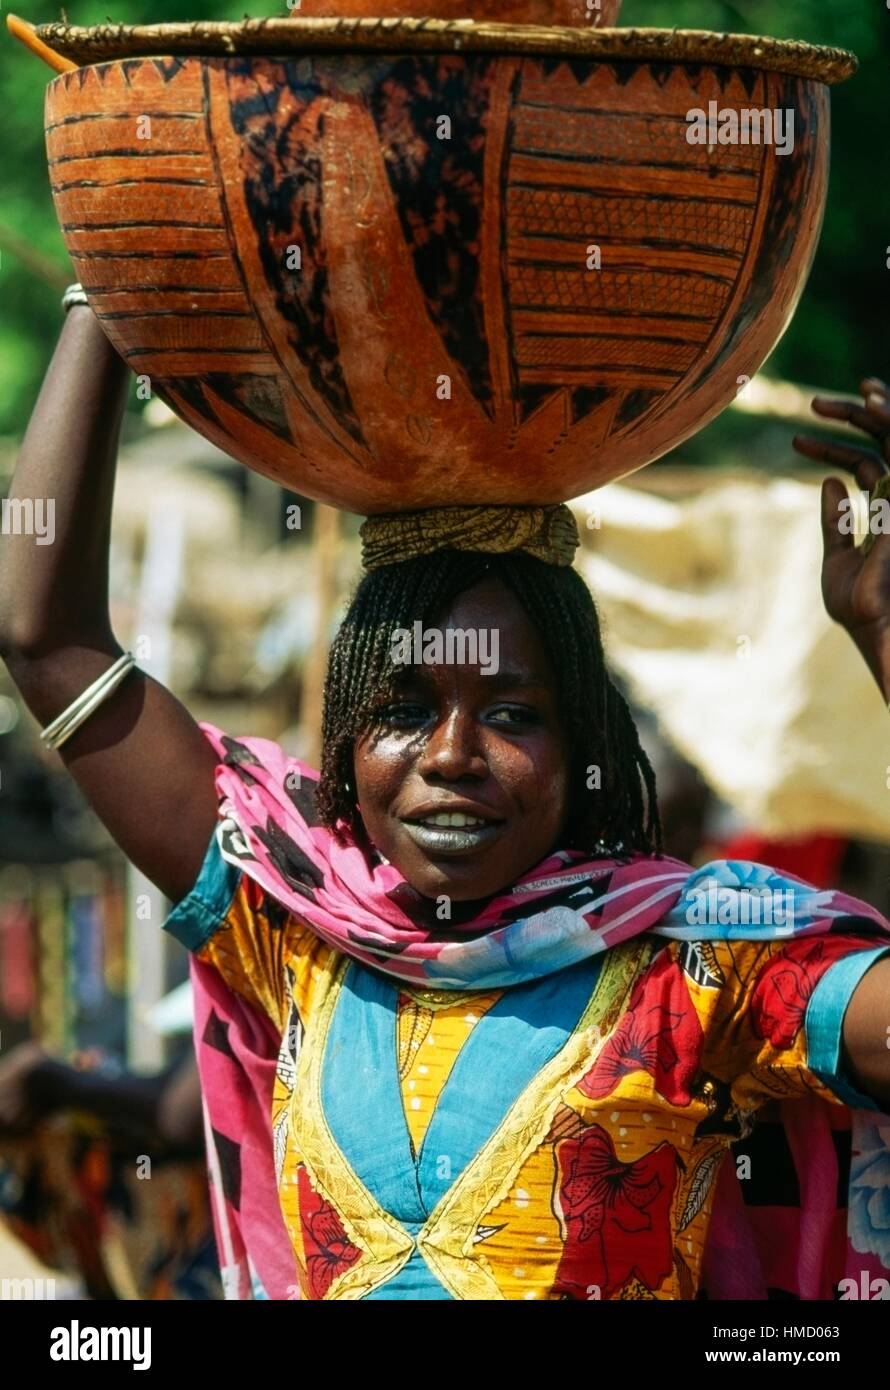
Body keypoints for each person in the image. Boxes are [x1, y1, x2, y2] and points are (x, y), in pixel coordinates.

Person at [1, 300, 889, 1301]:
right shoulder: (290, 930)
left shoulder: (694, 965)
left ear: (582, 746)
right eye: (403, 711)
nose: (453, 755)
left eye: (512, 714)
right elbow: (48, 644)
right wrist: (111, 281)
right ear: (343, 743)